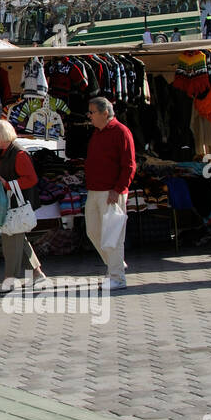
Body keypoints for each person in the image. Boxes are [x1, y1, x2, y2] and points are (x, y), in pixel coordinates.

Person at [0, 119, 51, 291]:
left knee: (10, 242)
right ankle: (37, 274)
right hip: (10, 203)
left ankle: (10, 280)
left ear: (3, 135)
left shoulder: (18, 154)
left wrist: (7, 185)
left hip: (15, 204)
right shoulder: (5, 151)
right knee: (18, 240)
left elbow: (31, 180)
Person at [84, 96, 136, 290]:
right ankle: (116, 264)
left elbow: (129, 165)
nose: (89, 116)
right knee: (93, 232)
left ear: (105, 113)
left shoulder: (121, 132)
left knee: (112, 235)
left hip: (111, 192)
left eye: (92, 112)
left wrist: (118, 189)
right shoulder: (98, 132)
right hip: (94, 190)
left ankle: (117, 277)